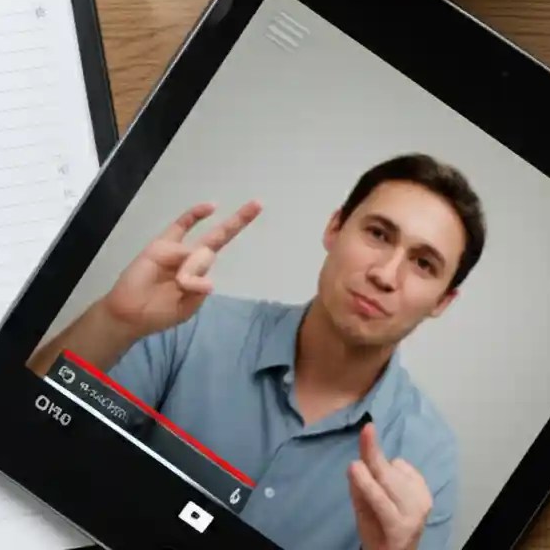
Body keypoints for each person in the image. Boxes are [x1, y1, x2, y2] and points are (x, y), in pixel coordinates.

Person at [29, 153, 486, 550]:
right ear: (334, 228)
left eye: (423, 264)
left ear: (442, 302)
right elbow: (25, 429)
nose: (385, 274)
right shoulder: (189, 326)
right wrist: (115, 320)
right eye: (379, 234)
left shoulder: (430, 457)